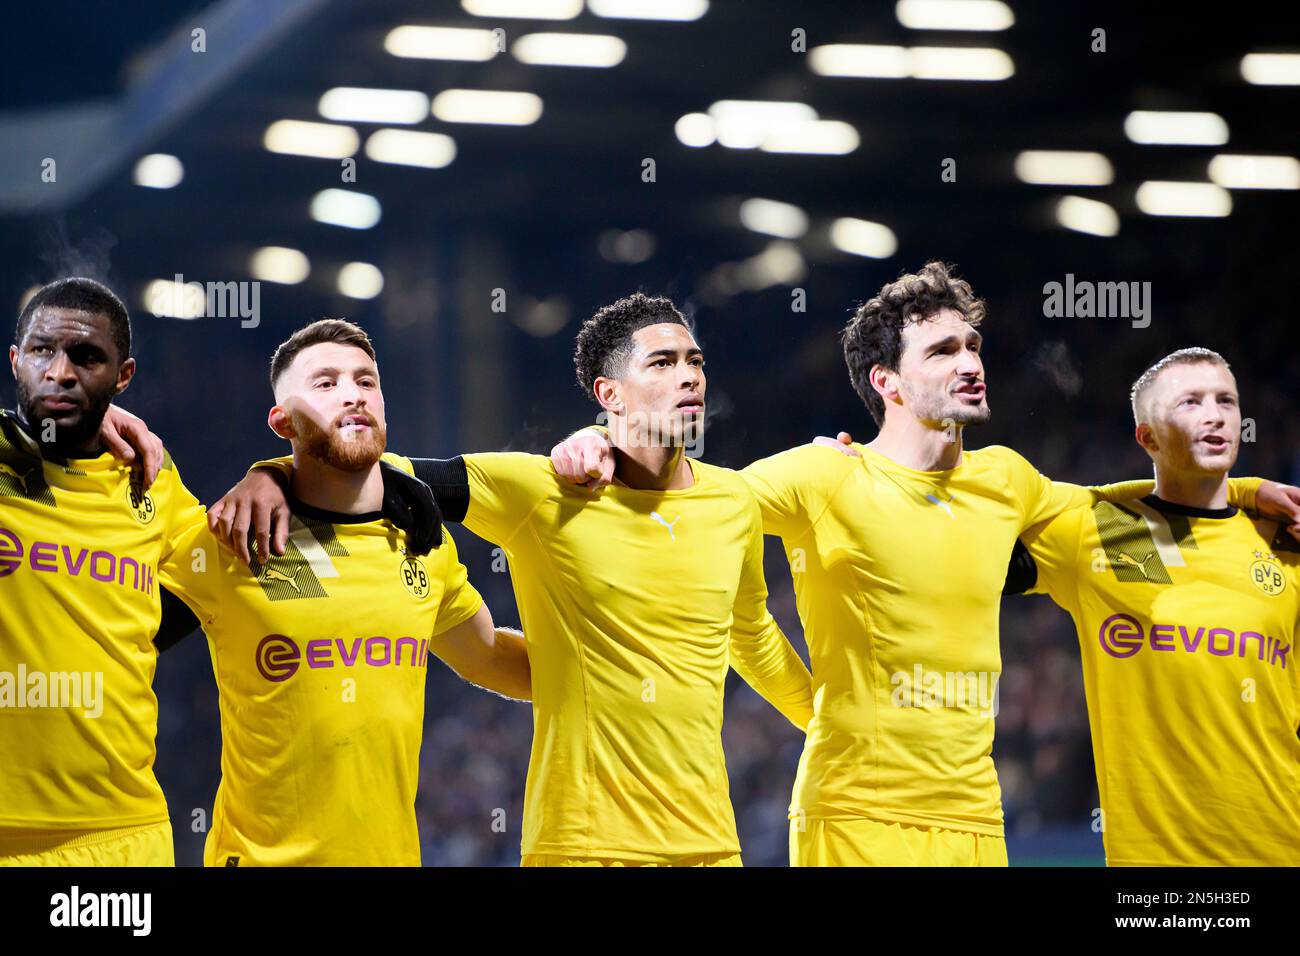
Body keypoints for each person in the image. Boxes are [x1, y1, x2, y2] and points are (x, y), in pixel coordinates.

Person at [547, 264, 1298, 865]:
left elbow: (1136, 515)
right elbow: (692, 495)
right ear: (888, 382)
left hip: (977, 819)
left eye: (973, 346)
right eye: (943, 351)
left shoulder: (1008, 481)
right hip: (858, 817)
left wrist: (1243, 486)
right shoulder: (824, 476)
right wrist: (594, 441)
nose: (971, 362)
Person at [211, 294, 814, 867]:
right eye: (663, 362)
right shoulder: (542, 491)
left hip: (710, 841)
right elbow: (368, 466)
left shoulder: (735, 501)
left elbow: (751, 632)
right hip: (580, 843)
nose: (689, 377)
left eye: (695, 362)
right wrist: (269, 475)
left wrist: (822, 721)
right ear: (610, 394)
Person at [156, 318, 530, 866]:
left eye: (365, 381)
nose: (353, 395)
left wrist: (611, 673)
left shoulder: (422, 544)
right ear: (282, 421)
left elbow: (492, 657)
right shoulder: (234, 539)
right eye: (325, 384)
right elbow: (119, 640)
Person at [1010, 348, 1299, 865]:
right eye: (1190, 402)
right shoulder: (1118, 532)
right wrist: (862, 472)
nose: (1215, 415)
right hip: (1158, 868)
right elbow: (980, 522)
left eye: (1226, 401)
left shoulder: (1284, 537)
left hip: (1282, 845)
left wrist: (1248, 496)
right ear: (1147, 437)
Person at [1, 277, 205, 867]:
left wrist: (269, 476)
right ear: (17, 361)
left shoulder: (153, 483)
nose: (60, 371)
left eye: (86, 357)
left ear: (124, 377)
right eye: (42, 351)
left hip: (119, 836)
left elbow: (217, 575)